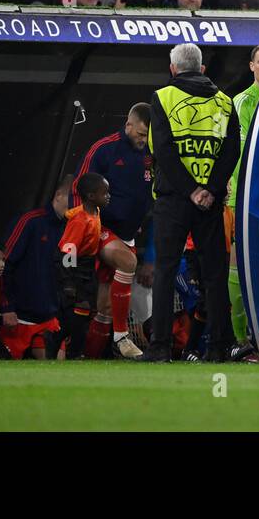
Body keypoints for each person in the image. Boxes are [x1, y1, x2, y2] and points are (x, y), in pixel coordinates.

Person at [142, 43, 240, 363]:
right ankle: (219, 346)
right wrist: (209, 189)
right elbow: (230, 150)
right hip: (211, 203)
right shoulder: (225, 102)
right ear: (201, 69)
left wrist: (190, 190)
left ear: (173, 69)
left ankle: (159, 348)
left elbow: (164, 151)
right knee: (214, 274)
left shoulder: (162, 98)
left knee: (166, 272)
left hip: (174, 199)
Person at [71, 103, 152, 360]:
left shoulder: (153, 152)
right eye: (140, 134)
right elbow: (79, 188)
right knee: (128, 262)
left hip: (127, 234)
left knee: (106, 307)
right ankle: (121, 336)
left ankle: (90, 361)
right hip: (101, 230)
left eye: (147, 136)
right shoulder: (104, 149)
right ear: (128, 125)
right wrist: (84, 229)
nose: (143, 140)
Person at [225, 43, 259, 357]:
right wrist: (232, 187)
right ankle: (237, 339)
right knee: (236, 268)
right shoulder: (240, 103)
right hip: (241, 199)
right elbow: (232, 152)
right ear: (252, 66)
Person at [0, 176, 70, 361]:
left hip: (50, 317)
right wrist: (6, 307)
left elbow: (70, 273)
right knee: (6, 376)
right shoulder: (29, 221)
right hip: (18, 317)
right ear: (59, 195)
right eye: (73, 198)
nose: (77, 205)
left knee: (57, 370)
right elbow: (2, 265)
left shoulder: (72, 228)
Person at [58, 172, 109, 359]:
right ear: (91, 196)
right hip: (74, 267)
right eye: (105, 193)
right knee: (79, 310)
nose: (108, 196)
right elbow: (68, 250)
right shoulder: (80, 220)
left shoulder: (96, 212)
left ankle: (75, 350)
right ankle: (73, 351)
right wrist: (69, 282)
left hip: (88, 267)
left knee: (87, 311)